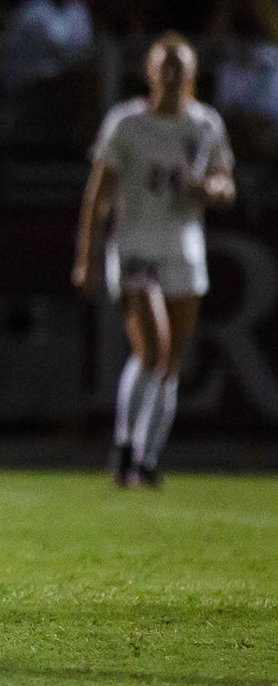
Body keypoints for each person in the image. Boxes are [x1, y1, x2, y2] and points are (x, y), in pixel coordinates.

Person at [73, 34, 234, 489]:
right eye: (164, 66)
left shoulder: (205, 125)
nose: (171, 75)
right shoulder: (127, 124)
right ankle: (125, 445)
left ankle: (145, 457)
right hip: (134, 246)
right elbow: (98, 194)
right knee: (154, 349)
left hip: (183, 246)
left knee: (172, 360)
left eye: (179, 68)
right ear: (148, 70)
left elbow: (226, 181)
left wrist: (213, 191)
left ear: (192, 75)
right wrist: (85, 256)